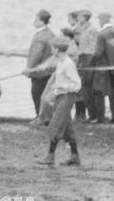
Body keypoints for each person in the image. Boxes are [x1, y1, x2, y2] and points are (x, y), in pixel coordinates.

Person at [24, 37, 81, 167]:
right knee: (67, 127)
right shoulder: (61, 62)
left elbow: (77, 84)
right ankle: (75, 156)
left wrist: (61, 88)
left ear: (57, 49)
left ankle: (50, 156)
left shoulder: (68, 64)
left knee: (55, 125)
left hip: (66, 97)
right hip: (60, 97)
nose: (51, 51)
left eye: (52, 48)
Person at [93, 11, 114, 123]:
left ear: (103, 20)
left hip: (103, 67)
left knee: (99, 91)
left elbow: (98, 52)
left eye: (100, 20)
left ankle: (100, 117)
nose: (99, 22)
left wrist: (91, 58)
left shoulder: (101, 34)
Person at [26, 10, 55, 117]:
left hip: (39, 72)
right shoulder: (51, 34)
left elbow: (36, 55)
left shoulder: (40, 37)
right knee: (46, 94)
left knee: (37, 94)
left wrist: (29, 69)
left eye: (36, 19)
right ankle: (46, 116)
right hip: (49, 70)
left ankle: (40, 116)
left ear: (42, 22)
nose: (33, 21)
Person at [74, 10, 98, 121]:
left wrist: (88, 62)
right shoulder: (78, 28)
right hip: (80, 58)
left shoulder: (91, 30)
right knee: (79, 87)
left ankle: (92, 114)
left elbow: (93, 47)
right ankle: (80, 114)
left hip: (88, 59)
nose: (78, 17)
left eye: (80, 16)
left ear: (85, 17)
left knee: (87, 88)